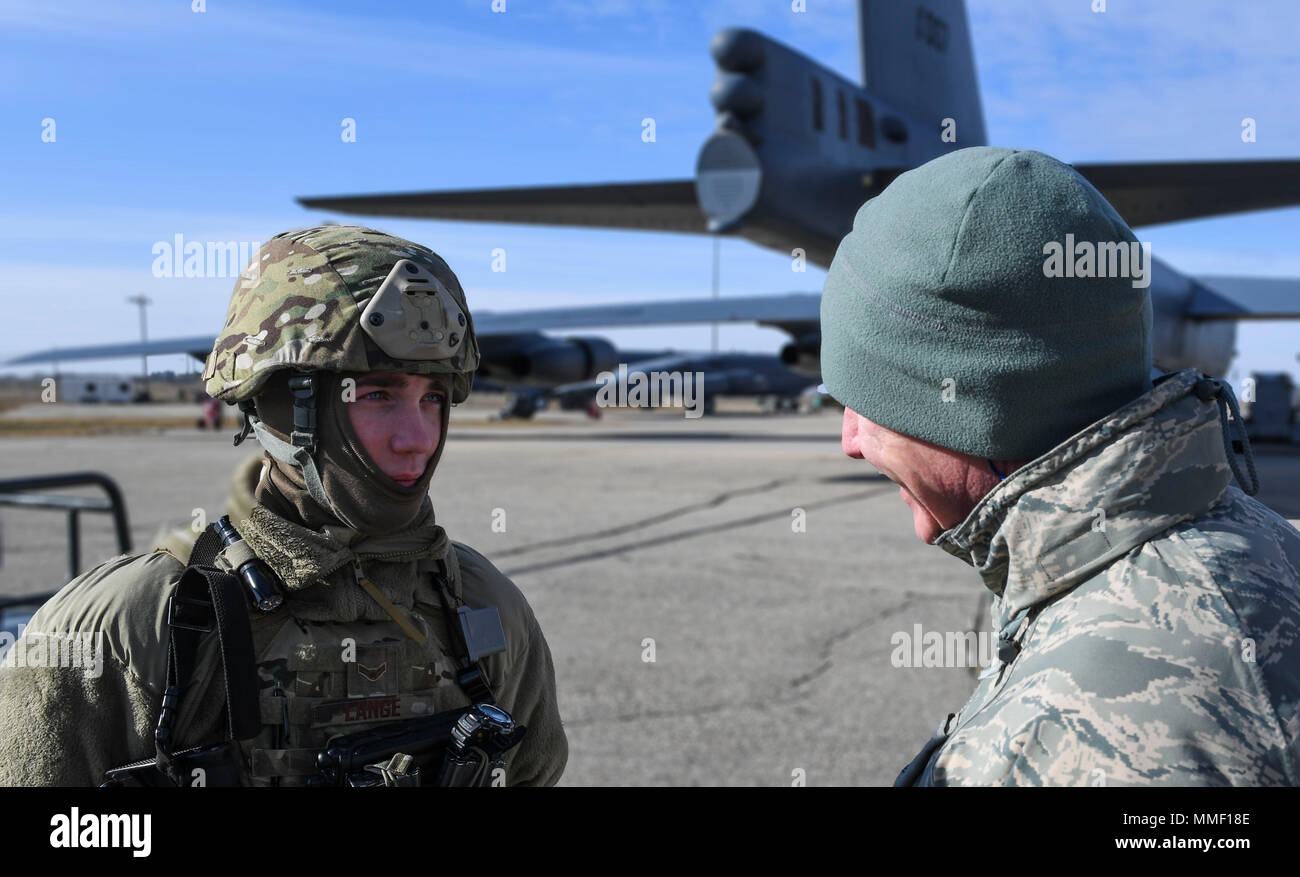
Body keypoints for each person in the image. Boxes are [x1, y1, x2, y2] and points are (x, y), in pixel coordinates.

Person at [0, 225, 567, 786]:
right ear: (277, 406)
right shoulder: (136, 624)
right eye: (376, 396)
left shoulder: (484, 606)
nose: (416, 438)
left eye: (432, 399)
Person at [820, 146, 1300, 786]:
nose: (849, 440)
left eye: (868, 402)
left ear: (970, 412)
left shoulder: (1115, 733)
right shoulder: (1238, 537)